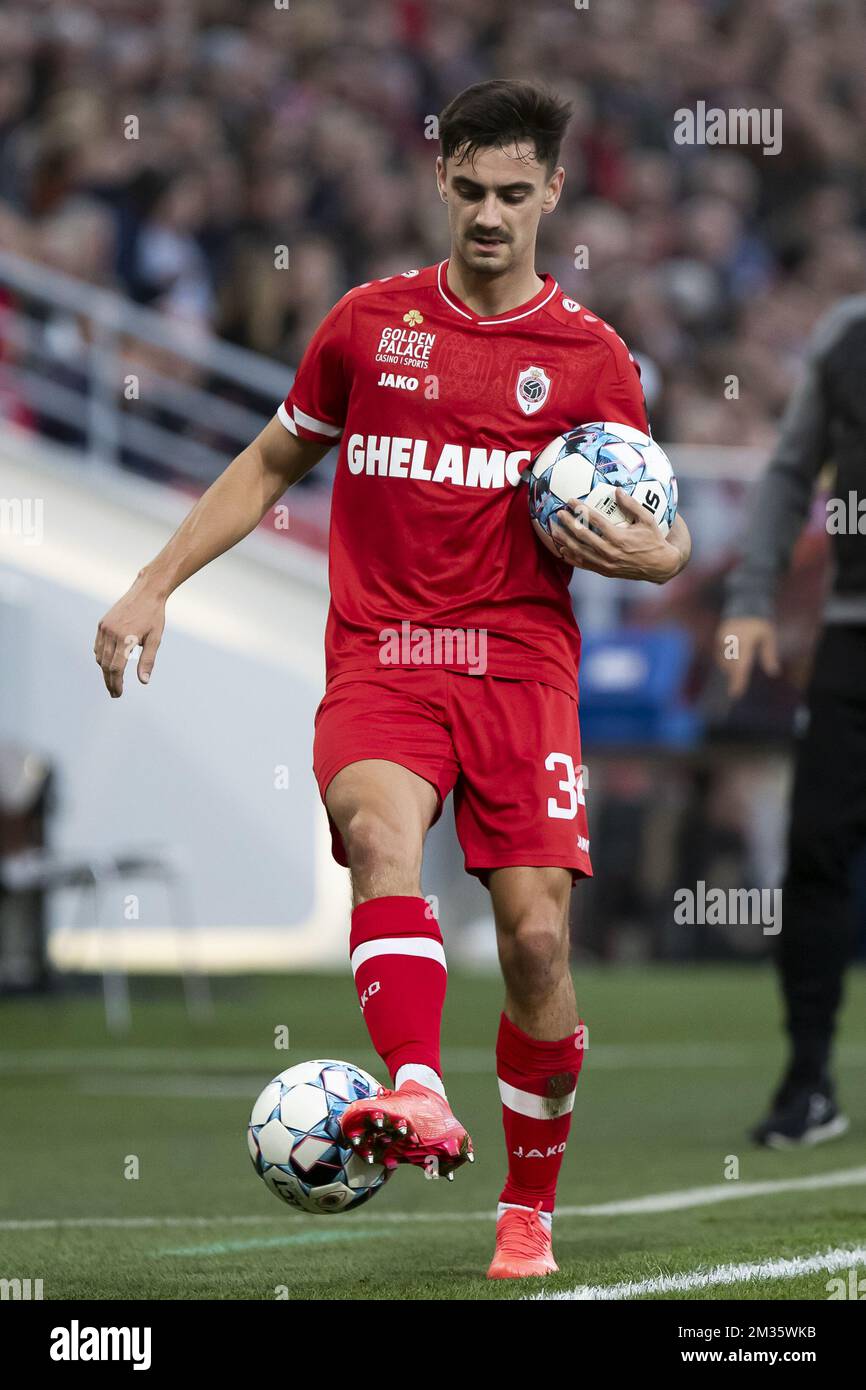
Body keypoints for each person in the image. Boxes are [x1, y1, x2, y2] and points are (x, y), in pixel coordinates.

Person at [94, 80, 691, 1279]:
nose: (486, 215)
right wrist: (154, 579)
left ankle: (527, 1206)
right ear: (439, 180)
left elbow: (656, 524)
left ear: (551, 194)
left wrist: (660, 554)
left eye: (512, 194)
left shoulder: (588, 362)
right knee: (377, 832)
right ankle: (415, 1087)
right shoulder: (366, 327)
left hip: (521, 671)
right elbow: (268, 466)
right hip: (385, 658)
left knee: (532, 946)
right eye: (468, 189)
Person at [716, 294, 866, 1148]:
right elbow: (787, 471)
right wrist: (749, 599)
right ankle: (808, 1081)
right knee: (814, 850)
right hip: (852, 633)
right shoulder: (846, 334)